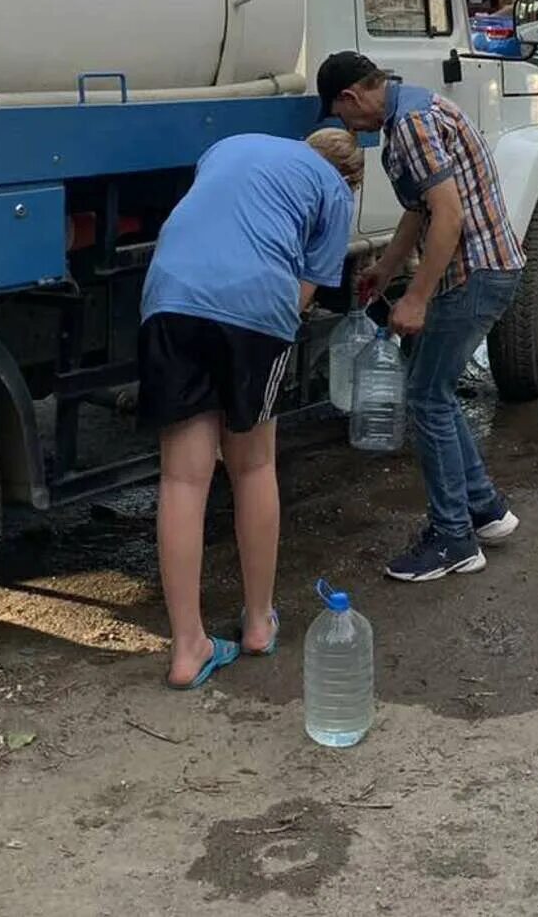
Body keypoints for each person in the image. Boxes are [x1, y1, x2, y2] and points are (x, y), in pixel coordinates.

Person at [138, 130, 361, 689]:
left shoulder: (231, 145)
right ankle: (259, 622)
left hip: (170, 295)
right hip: (255, 306)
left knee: (183, 480)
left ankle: (187, 648)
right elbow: (303, 294)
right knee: (254, 465)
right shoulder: (335, 190)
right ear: (349, 175)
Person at [317, 51, 528, 584]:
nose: (349, 127)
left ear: (352, 97)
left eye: (344, 116)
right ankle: (485, 511)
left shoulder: (410, 124)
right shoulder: (416, 108)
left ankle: (452, 540)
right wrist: (387, 269)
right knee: (436, 391)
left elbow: (450, 216)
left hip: (474, 273)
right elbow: (421, 207)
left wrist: (415, 297)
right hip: (490, 267)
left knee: (427, 398)